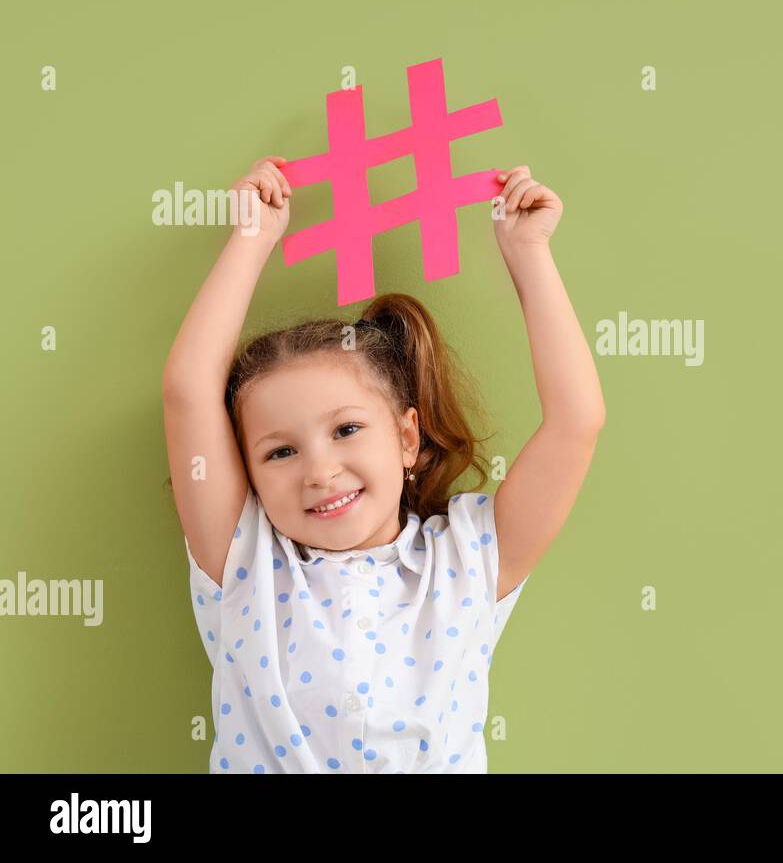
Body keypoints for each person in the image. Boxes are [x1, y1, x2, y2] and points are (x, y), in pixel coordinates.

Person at [162, 156, 604, 772]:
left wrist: (528, 254)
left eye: (346, 430)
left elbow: (576, 422)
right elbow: (188, 390)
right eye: (280, 451)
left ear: (406, 437)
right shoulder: (244, 559)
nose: (320, 471)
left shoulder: (468, 559)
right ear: (248, 472)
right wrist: (251, 238)